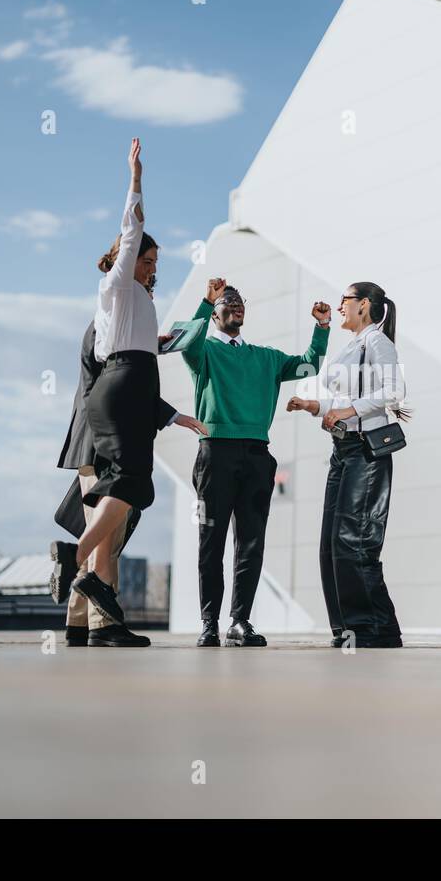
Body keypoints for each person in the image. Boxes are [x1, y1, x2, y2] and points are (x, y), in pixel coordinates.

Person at [49, 138, 195, 647]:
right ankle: (79, 569)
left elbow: (143, 346)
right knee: (124, 495)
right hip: (120, 394)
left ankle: (80, 623)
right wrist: (135, 179)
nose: (152, 269)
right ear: (124, 259)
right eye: (146, 260)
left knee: (132, 489)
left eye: (155, 263)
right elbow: (130, 227)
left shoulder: (131, 307)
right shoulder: (115, 288)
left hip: (130, 387)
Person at [181, 276, 331, 647]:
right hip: (214, 452)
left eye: (239, 302)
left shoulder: (265, 358)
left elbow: (308, 367)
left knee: (251, 541)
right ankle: (208, 624)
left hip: (256, 456)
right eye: (226, 302)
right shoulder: (206, 353)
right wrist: (204, 300)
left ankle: (239, 621)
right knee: (211, 540)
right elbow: (186, 346)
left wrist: (322, 327)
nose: (235, 305)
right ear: (214, 316)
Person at [53, 317, 203, 648]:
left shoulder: (109, 328)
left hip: (92, 444)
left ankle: (78, 625)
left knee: (96, 535)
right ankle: (103, 625)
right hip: (105, 443)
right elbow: (120, 385)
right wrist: (173, 415)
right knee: (108, 538)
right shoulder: (110, 327)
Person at [286, 282, 409, 648]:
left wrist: (347, 410)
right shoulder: (351, 346)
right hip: (342, 450)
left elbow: (394, 391)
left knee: (354, 543)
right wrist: (315, 407)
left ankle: (370, 629)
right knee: (330, 545)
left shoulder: (377, 342)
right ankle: (348, 628)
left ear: (364, 305)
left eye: (346, 300)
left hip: (366, 450)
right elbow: (343, 402)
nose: (340, 306)